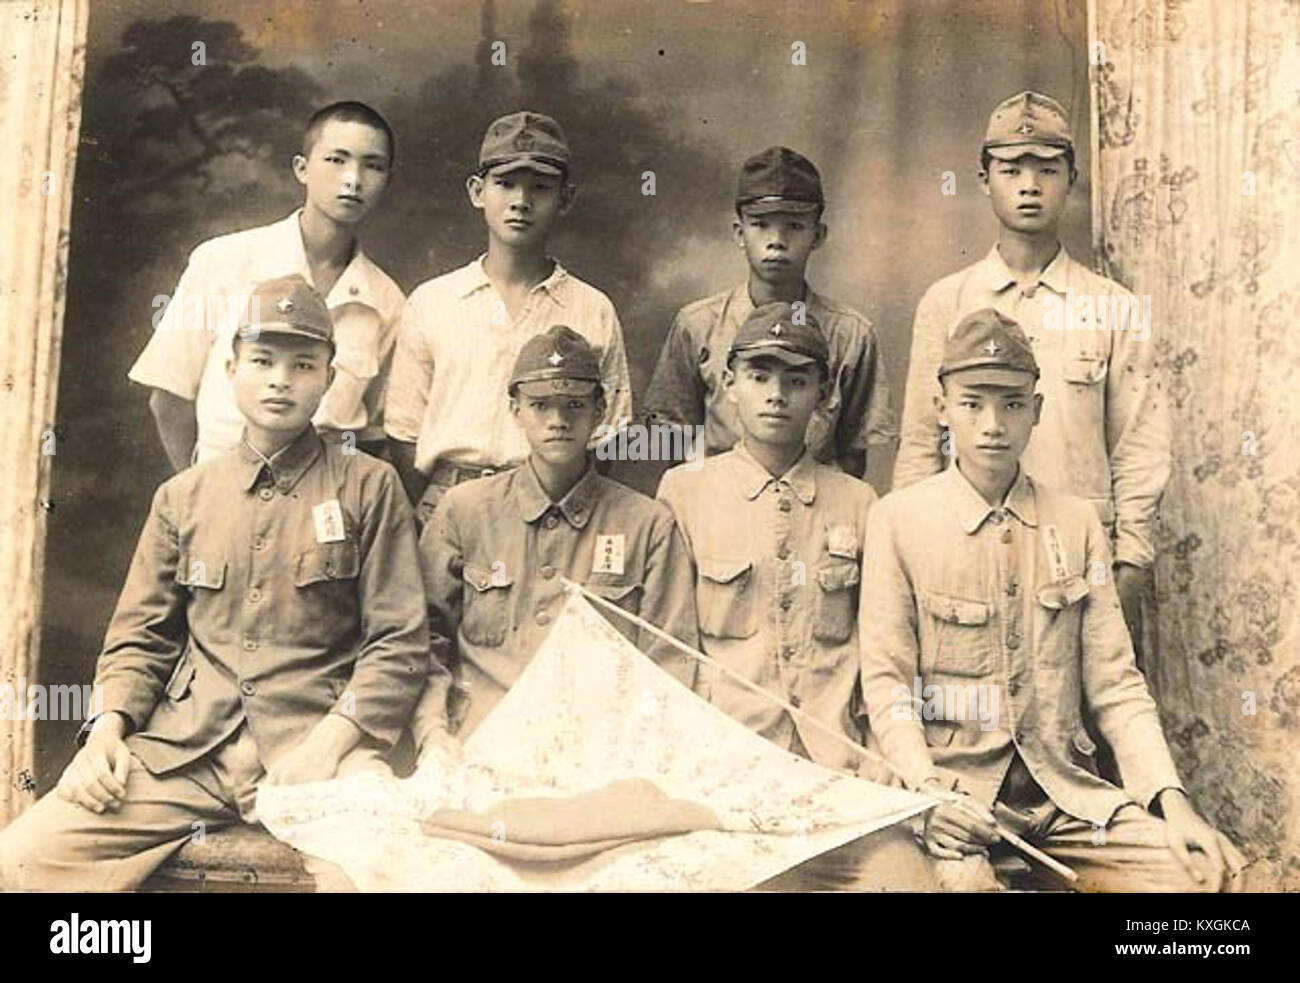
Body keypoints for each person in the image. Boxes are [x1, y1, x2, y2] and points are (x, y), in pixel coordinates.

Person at [0, 276, 429, 891]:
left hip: (314, 753)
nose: (280, 379)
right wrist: (105, 731)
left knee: (378, 874)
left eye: (302, 364)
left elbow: (399, 644)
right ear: (230, 370)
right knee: (17, 860)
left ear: (329, 379)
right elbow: (139, 639)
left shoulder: (368, 486)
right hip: (185, 755)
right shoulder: (184, 497)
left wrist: (333, 741)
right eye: (262, 360)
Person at [860, 307, 1244, 892]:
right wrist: (925, 794)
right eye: (972, 403)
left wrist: (1173, 802)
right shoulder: (897, 520)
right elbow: (887, 686)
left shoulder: (1077, 522)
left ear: (1036, 411)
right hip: (959, 801)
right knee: (967, 888)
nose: (993, 423)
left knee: (1210, 880)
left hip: (1067, 800)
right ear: (942, 409)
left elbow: (1116, 685)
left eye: (1012, 404)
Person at [658, 302, 936, 891]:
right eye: (758, 377)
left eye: (796, 380)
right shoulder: (685, 494)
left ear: (825, 394)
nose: (776, 395)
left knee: (907, 882)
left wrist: (889, 763)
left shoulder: (861, 504)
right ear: (728, 386)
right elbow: (670, 660)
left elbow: (883, 660)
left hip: (841, 776)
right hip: (728, 776)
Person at [893, 91, 1169, 659]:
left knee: (1084, 733)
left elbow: (1139, 451)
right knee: (970, 726)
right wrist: (913, 558)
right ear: (983, 178)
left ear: (1071, 178)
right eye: (1011, 169)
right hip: (964, 559)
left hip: (1081, 563)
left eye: (1046, 169)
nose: (1029, 185)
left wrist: (1130, 569)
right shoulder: (948, 302)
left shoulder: (1114, 307)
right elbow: (920, 445)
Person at [410, 325, 695, 748]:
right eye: (541, 405)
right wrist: (432, 730)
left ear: (600, 410)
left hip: (601, 747)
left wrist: (637, 748)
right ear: (515, 409)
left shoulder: (646, 524)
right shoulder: (464, 510)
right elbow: (425, 639)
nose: (558, 421)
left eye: (574, 406)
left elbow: (668, 661)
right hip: (480, 737)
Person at [384, 111, 633, 525]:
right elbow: (403, 429)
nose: (521, 201)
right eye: (505, 184)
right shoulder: (433, 301)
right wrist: (443, 501)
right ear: (477, 191)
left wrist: (556, 495)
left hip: (554, 504)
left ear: (566, 198)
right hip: (450, 501)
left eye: (540, 187)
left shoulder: (592, 308)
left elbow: (610, 432)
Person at [129, 101, 405, 469]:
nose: (353, 179)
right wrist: (200, 493)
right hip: (223, 488)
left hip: (325, 502)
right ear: (302, 169)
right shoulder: (222, 261)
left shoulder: (386, 301)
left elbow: (369, 431)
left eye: (373, 165)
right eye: (337, 160)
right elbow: (169, 397)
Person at [644, 146, 892, 479]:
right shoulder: (698, 325)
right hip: (718, 507)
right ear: (739, 233)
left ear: (818, 235)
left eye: (794, 225)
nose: (776, 240)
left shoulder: (850, 334)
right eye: (761, 224)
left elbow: (852, 454)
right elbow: (672, 442)